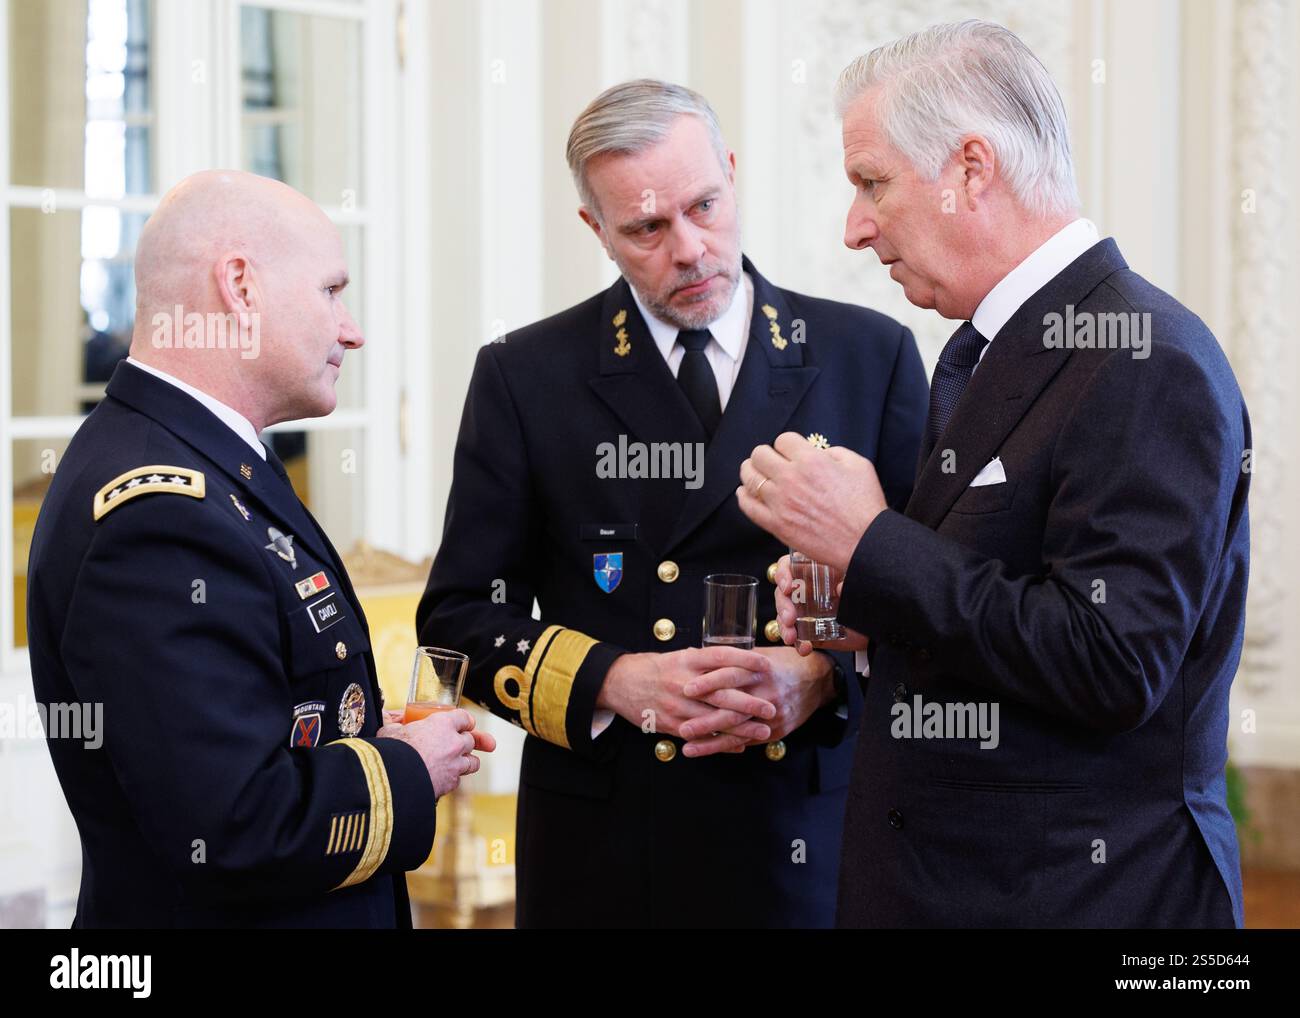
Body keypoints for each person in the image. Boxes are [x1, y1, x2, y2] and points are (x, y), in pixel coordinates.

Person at [736, 21, 1248, 928]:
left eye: (871, 182)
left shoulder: (1140, 356)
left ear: (971, 169)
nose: (854, 227)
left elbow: (1113, 663)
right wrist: (865, 606)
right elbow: (1011, 608)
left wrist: (870, 541)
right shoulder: (991, 348)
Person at [417, 80, 928, 927]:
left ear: (732, 174)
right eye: (648, 228)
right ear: (596, 230)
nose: (689, 249)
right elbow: (458, 621)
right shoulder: (525, 375)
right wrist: (616, 678)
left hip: (808, 831)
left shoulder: (866, 356)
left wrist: (818, 674)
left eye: (705, 206)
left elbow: (925, 597)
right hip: (609, 847)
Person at [26, 169, 494, 928]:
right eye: (330, 291)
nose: (352, 328)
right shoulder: (158, 510)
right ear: (240, 287)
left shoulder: (208, 459)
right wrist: (406, 770)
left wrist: (364, 742)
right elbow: (234, 826)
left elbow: (259, 729)